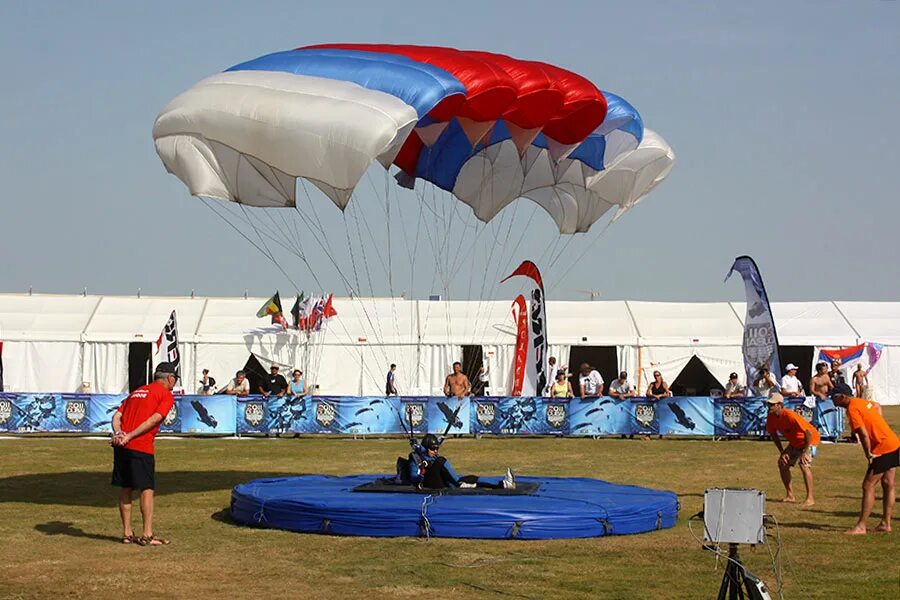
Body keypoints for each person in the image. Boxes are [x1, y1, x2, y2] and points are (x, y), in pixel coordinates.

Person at [110, 362, 177, 546]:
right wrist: (130, 435)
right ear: (170, 378)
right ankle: (147, 534)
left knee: (126, 488)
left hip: (122, 447)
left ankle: (126, 533)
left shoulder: (136, 392)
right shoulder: (165, 395)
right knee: (146, 489)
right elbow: (154, 418)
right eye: (175, 379)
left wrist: (119, 434)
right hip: (141, 446)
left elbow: (117, 416)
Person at [831, 385, 898, 534]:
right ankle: (886, 523)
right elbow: (877, 406)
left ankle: (861, 526)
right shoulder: (861, 402)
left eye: (833, 397)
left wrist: (869, 453)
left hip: (882, 448)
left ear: (843, 396)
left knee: (868, 485)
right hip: (894, 442)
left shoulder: (852, 409)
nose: (832, 400)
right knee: (888, 483)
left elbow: (862, 433)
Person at [765, 393, 819, 506]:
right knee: (782, 463)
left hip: (809, 439)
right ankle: (790, 495)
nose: (769, 406)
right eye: (768, 404)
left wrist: (804, 452)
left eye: (772, 404)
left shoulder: (790, 415)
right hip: (795, 442)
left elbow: (808, 433)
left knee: (804, 464)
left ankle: (810, 498)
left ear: (779, 405)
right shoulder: (770, 417)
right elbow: (774, 435)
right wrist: (782, 452)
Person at [406, 434, 514, 490]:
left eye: (437, 449)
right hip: (427, 483)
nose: (435, 451)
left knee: (471, 478)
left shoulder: (429, 454)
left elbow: (428, 452)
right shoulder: (415, 457)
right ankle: (458, 483)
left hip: (441, 481)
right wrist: (423, 470)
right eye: (433, 449)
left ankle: (503, 484)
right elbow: (413, 477)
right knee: (441, 460)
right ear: (425, 448)